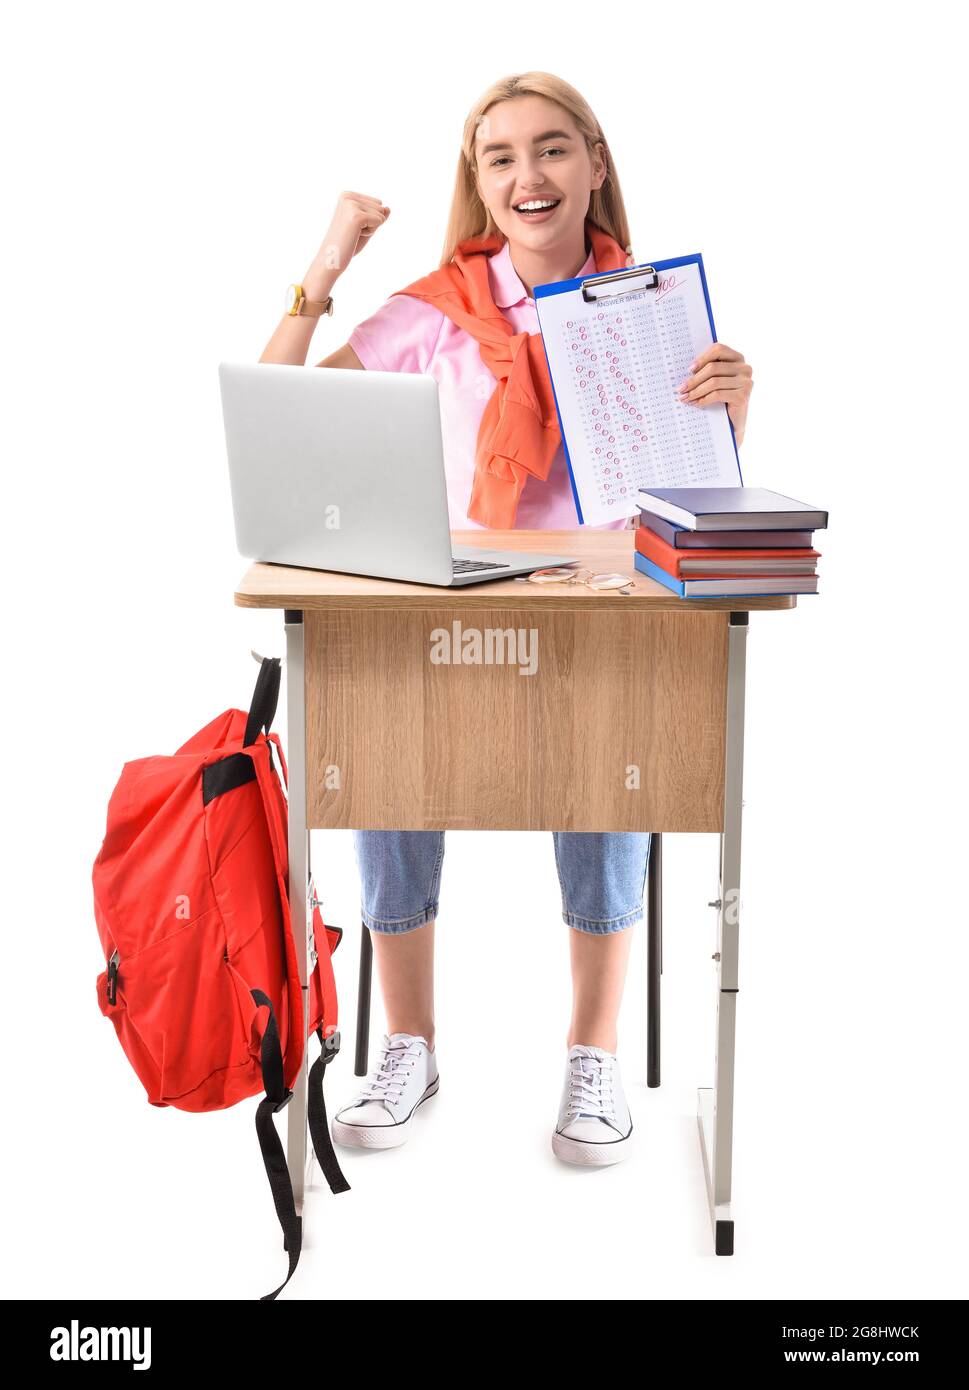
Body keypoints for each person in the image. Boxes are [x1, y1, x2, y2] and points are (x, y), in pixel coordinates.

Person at [258, 71, 754, 1167]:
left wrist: (733, 411)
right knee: (382, 754)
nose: (528, 176)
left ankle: (595, 1052)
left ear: (595, 165)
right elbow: (283, 419)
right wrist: (327, 265)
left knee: (616, 761)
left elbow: (698, 501)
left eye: (553, 150)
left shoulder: (650, 310)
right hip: (444, 609)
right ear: (479, 185)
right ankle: (413, 1045)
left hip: (596, 616)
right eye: (501, 158)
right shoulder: (434, 312)